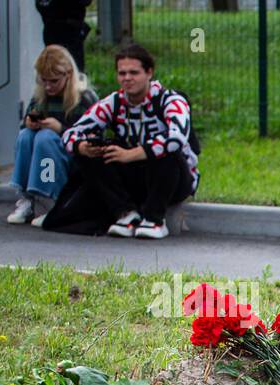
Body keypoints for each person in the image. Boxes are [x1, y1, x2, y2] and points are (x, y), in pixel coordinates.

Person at [54, 44, 198, 239]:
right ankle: (126, 214)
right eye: (122, 73)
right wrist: (82, 147)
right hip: (134, 177)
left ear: (149, 72)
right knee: (94, 151)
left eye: (133, 72)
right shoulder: (113, 102)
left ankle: (155, 219)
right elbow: (70, 134)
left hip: (174, 180)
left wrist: (132, 154)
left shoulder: (170, 100)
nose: (127, 78)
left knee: (166, 153)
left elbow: (176, 138)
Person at [7, 45, 96, 227]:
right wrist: (30, 123)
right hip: (43, 156)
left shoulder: (84, 98)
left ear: (68, 75)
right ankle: (27, 198)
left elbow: (92, 135)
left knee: (45, 138)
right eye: (43, 80)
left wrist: (61, 129)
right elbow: (27, 119)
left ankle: (50, 201)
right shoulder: (40, 97)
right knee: (25, 135)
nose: (48, 86)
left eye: (54, 81)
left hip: (71, 159)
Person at [35, 0, 91, 71]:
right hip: (53, 32)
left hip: (73, 34)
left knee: (75, 70)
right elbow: (41, 5)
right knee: (54, 69)